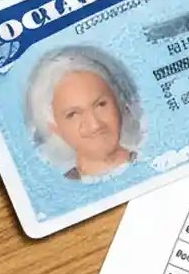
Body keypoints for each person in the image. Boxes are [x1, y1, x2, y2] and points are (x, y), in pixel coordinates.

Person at [24, 47, 143, 181]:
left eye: (100, 105)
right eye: (73, 114)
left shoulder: (152, 159)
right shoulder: (60, 190)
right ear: (53, 126)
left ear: (117, 101)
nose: (94, 125)